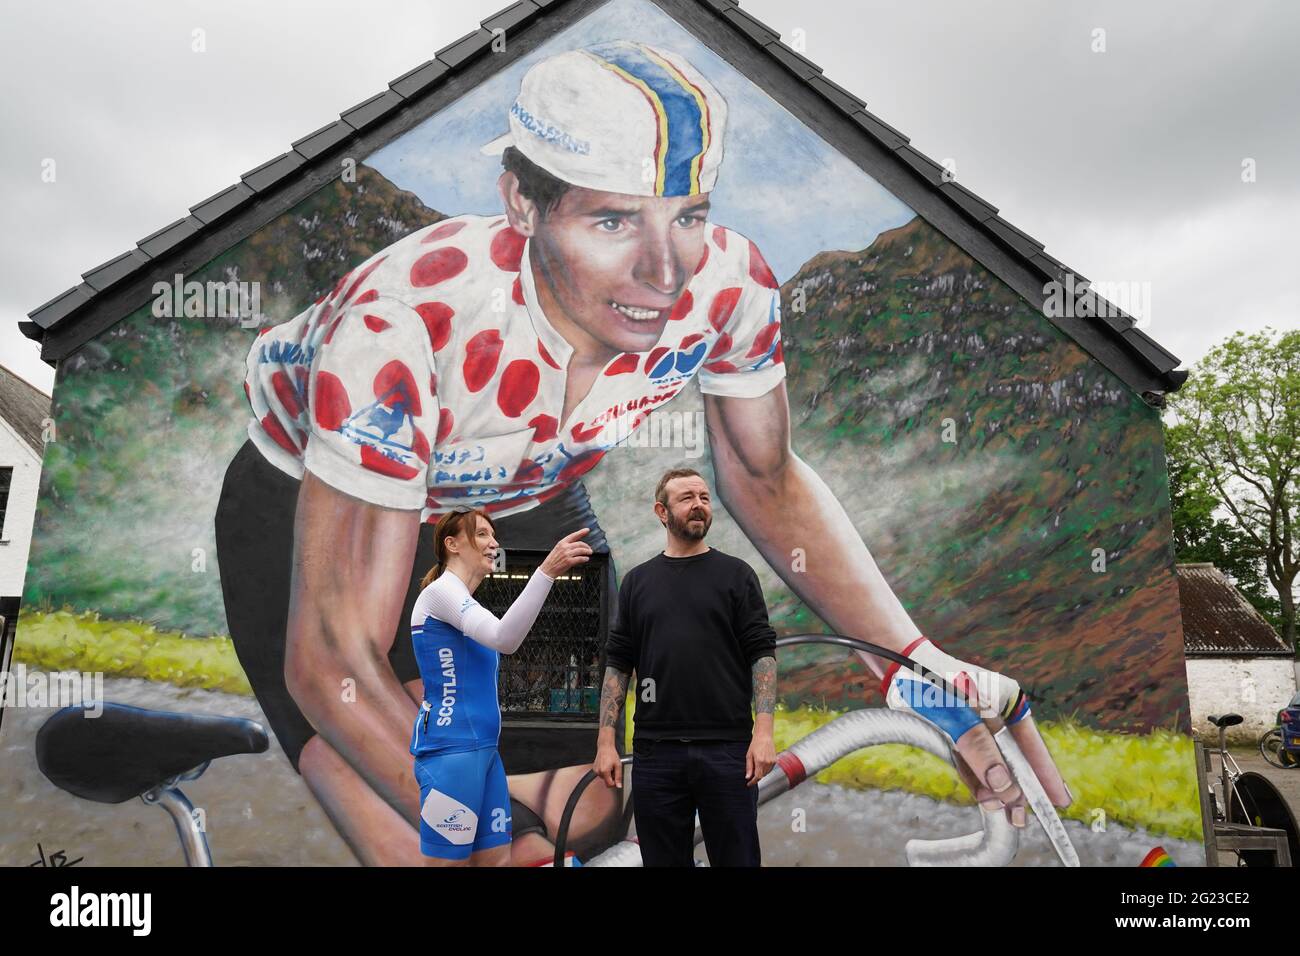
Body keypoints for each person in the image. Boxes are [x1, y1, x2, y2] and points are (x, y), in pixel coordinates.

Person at [216, 37, 1068, 867]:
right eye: (613, 219)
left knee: (583, 823)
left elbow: (765, 479)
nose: (665, 271)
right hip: (318, 504)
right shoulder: (403, 327)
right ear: (523, 204)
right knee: (447, 844)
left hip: (523, 507)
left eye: (688, 215)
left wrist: (913, 669)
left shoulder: (727, 286)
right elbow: (333, 664)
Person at [597, 469, 777, 866]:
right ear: (662, 511)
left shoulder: (736, 576)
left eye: (704, 497)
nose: (699, 504)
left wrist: (763, 733)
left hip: (728, 751)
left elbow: (762, 654)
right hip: (656, 754)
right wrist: (606, 742)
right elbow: (618, 665)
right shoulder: (638, 583)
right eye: (687, 498)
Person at [408, 507, 592, 865]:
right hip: (452, 752)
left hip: (485, 753)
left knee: (497, 861)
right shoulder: (441, 593)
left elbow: (505, 636)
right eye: (481, 534)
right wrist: (546, 572)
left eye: (494, 536)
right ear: (453, 544)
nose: (493, 543)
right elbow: (505, 638)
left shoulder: (463, 602)